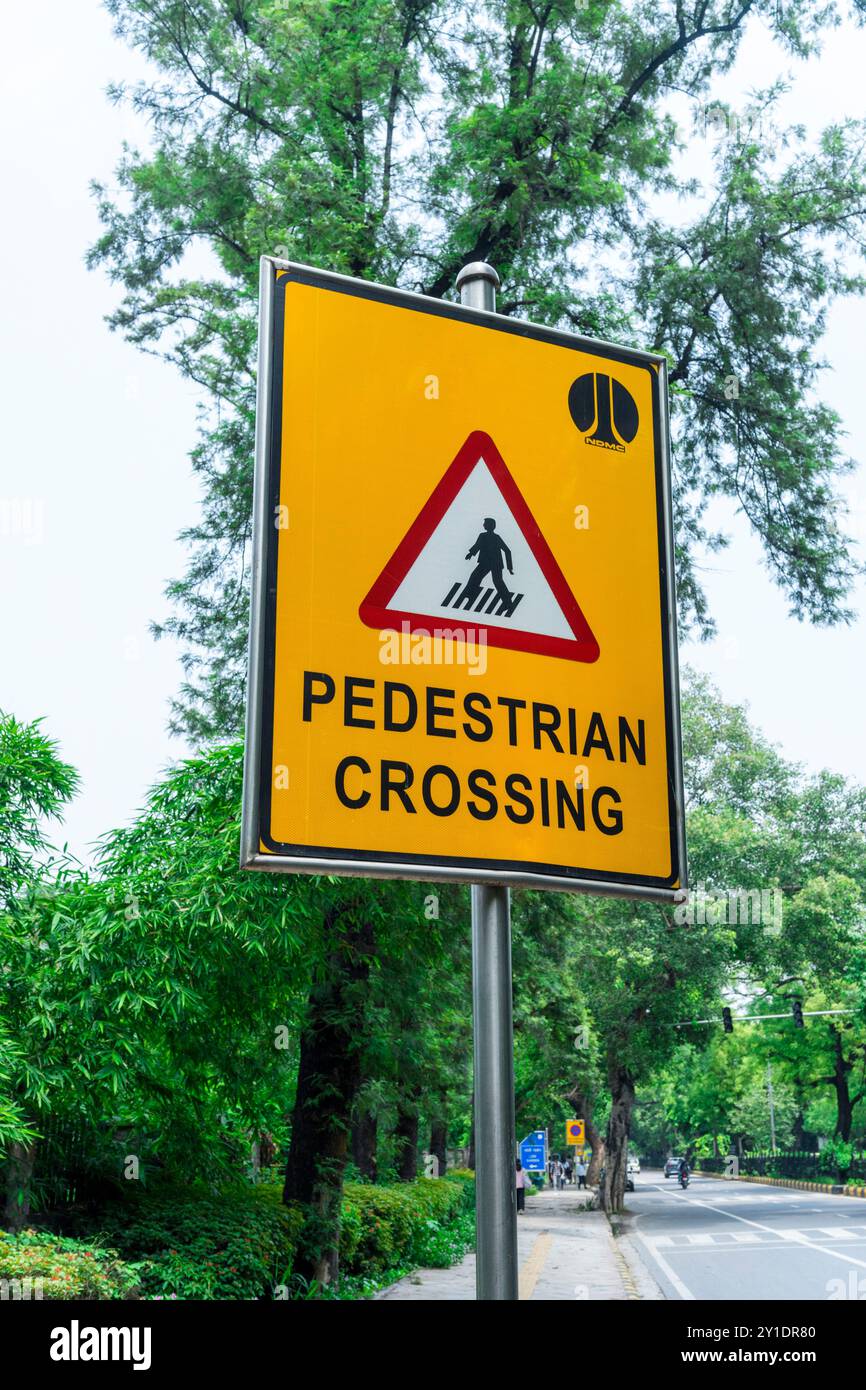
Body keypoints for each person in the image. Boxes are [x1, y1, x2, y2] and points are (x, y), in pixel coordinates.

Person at [461, 517, 514, 607]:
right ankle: (470, 595)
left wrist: (510, 568)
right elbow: (477, 546)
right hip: (487, 563)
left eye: (485, 523)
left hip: (493, 563)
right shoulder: (484, 536)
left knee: (496, 581)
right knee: (475, 576)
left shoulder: (492, 537)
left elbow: (507, 550)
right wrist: (470, 554)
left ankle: (508, 602)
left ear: (489, 525)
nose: (483, 525)